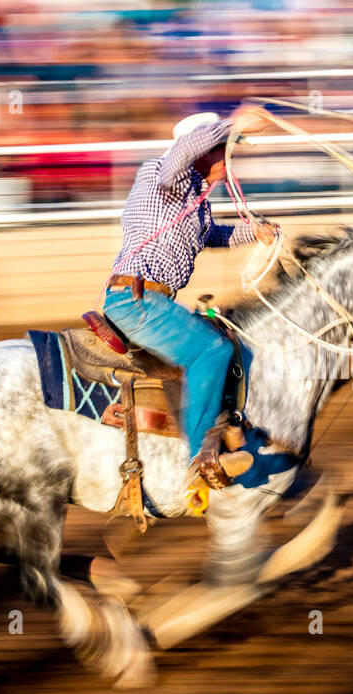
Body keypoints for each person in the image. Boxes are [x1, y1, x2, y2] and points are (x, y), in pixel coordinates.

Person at [102, 105, 275, 487]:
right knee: (213, 350)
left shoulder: (195, 199)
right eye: (225, 151)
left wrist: (254, 232)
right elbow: (183, 150)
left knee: (223, 339)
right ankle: (199, 458)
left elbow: (212, 236)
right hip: (137, 301)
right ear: (203, 152)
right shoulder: (163, 175)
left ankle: (221, 429)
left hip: (150, 302)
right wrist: (236, 123)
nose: (229, 163)